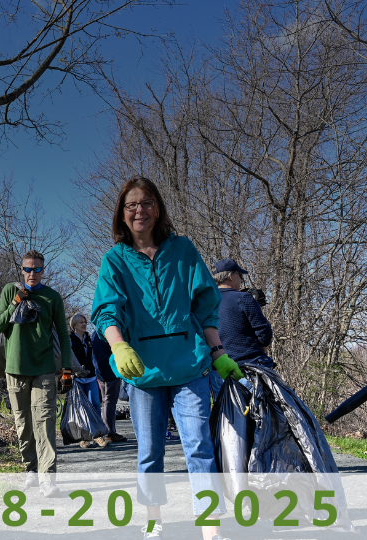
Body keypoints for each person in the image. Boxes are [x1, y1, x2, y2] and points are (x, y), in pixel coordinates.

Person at [92, 177, 241, 540]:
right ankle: (153, 521)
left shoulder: (184, 250)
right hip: (142, 369)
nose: (139, 210)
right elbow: (106, 311)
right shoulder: (114, 260)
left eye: (146, 203)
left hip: (189, 363)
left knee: (198, 445)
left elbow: (206, 306)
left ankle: (210, 527)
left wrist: (218, 351)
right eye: (131, 205)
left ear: (157, 208)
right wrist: (118, 345)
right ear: (122, 214)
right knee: (150, 451)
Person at [0, 250, 73, 497]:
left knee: (46, 421)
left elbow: (63, 333)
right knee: (23, 421)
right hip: (15, 368)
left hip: (45, 368)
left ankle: (49, 478)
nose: (32, 274)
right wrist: (16, 302)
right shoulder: (9, 290)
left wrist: (67, 368)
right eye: (28, 269)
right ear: (21, 270)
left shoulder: (52, 297)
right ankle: (31, 468)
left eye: (37, 269)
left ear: (43, 271)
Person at [211, 258, 275, 394]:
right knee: (259, 412)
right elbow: (264, 331)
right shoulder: (243, 298)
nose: (241, 280)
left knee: (227, 413)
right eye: (240, 276)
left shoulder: (206, 302)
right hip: (248, 369)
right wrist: (264, 349)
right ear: (230, 276)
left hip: (218, 372)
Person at [69, 313, 103, 448]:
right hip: (77, 378)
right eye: (81, 322)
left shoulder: (88, 339)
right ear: (74, 325)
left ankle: (98, 435)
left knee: (95, 404)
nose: (84, 324)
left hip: (91, 377)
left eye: (85, 322)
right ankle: (83, 438)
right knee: (80, 407)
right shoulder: (70, 339)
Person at [92, 331, 128, 443]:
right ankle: (110, 432)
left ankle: (108, 431)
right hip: (110, 372)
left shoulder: (94, 334)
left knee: (106, 402)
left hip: (100, 372)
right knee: (109, 402)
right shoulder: (109, 332)